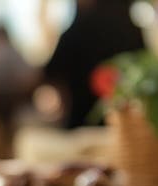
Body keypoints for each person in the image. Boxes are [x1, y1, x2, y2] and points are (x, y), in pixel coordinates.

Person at [44, 0, 144, 128]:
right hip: (126, 127)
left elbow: (51, 74)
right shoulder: (132, 27)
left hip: (83, 126)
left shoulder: (78, 29)